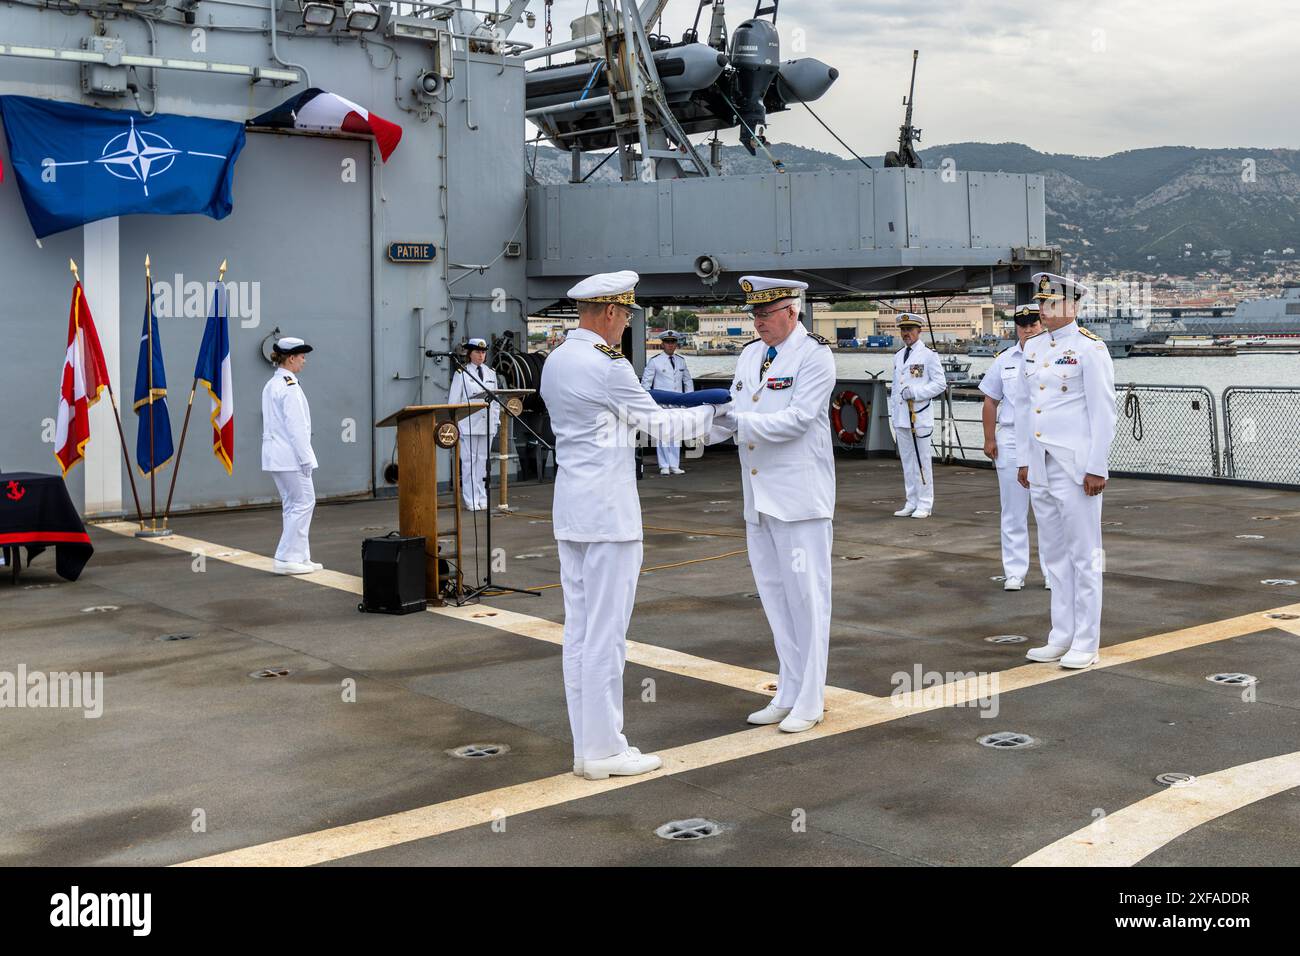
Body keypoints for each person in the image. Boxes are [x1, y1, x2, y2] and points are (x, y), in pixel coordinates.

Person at [540, 270, 725, 780]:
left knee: (580, 634)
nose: (625, 324)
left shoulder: (557, 358)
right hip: (609, 517)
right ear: (608, 312)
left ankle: (587, 747)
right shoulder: (608, 363)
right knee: (607, 636)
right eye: (624, 315)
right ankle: (605, 750)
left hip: (572, 512)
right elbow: (659, 423)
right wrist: (718, 414)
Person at [706, 276, 836, 734]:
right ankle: (788, 690)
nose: (759, 322)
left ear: (791, 312)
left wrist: (734, 423)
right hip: (758, 499)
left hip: (799, 500)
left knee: (808, 600)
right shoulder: (749, 355)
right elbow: (733, 411)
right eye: (755, 315)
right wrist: (690, 427)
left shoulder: (815, 355)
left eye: (766, 313)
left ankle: (811, 698)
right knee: (776, 600)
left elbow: (798, 419)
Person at [1015, 272, 1117, 669]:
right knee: (1054, 556)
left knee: (1085, 556)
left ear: (1073, 306)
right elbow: (1025, 406)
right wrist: (1024, 459)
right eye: (1042, 302)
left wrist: (1097, 467)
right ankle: (1061, 635)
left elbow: (1103, 412)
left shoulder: (1090, 349)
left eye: (1052, 303)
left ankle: (1086, 642)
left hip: (1075, 467)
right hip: (1041, 464)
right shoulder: (1033, 346)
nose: (1044, 309)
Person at [979, 304, 1051, 591]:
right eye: (1023, 325)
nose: (1029, 329)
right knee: (1013, 509)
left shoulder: (1053, 357)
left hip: (1045, 437)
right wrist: (989, 438)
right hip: (1010, 436)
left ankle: (1052, 572)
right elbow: (990, 400)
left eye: (1033, 324)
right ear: (1016, 328)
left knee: (1048, 509)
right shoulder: (1004, 360)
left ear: (1042, 325)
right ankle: (1014, 572)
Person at [261, 336, 320, 575]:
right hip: (290, 457)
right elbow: (296, 428)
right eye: (302, 356)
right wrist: (306, 459)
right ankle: (286, 557)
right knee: (305, 502)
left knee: (292, 505)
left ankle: (301, 556)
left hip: (276, 455)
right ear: (292, 358)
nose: (305, 361)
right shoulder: (289, 386)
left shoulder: (273, 383)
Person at [887, 314, 946, 518]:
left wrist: (917, 393)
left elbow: (940, 384)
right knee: (907, 462)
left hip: (919, 416)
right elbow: (896, 387)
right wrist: (894, 414)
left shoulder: (928, 355)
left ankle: (925, 503)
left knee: (922, 461)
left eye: (910, 329)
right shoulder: (898, 356)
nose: (906, 333)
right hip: (901, 417)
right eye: (903, 330)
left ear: (919, 331)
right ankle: (911, 501)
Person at [448, 337, 501, 511]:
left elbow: (495, 402)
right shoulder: (462, 373)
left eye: (483, 352)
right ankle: (471, 498)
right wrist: (456, 425)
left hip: (487, 425)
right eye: (477, 352)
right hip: (468, 425)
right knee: (469, 463)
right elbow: (453, 402)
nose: (481, 355)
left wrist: (495, 423)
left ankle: (482, 496)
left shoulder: (491, 373)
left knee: (483, 463)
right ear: (469, 354)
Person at [640, 330, 693, 475]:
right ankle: (664, 465)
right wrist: (649, 403)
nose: (670, 345)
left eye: (673, 342)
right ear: (662, 344)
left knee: (676, 434)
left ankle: (674, 465)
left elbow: (687, 381)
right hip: (662, 404)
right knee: (662, 434)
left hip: (678, 404)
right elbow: (646, 384)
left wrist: (689, 400)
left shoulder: (681, 361)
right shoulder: (654, 361)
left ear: (676, 344)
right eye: (668, 342)